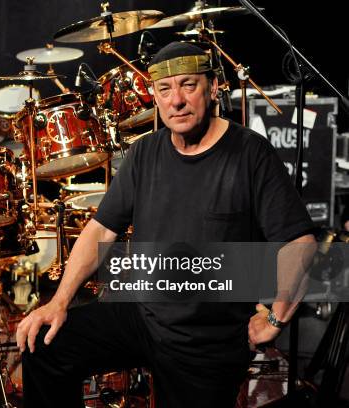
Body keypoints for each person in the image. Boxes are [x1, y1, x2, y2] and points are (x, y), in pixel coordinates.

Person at [16, 41, 317, 407]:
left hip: (205, 343)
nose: (176, 100)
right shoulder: (145, 153)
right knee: (45, 348)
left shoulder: (250, 153)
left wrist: (275, 317)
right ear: (155, 97)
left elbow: (299, 242)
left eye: (188, 84)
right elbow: (101, 229)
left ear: (213, 87)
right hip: (145, 318)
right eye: (164, 89)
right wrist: (59, 302)